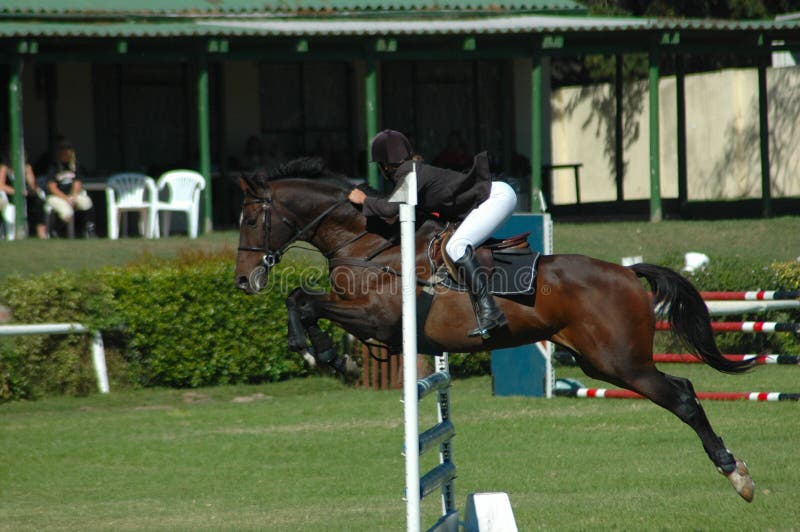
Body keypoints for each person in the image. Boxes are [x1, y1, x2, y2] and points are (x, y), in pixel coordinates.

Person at [347, 129, 517, 338]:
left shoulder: (410, 175)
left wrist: (364, 200)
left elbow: (391, 209)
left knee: (456, 246)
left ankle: (491, 311)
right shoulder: (411, 171)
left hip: (496, 198)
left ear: (384, 165)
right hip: (490, 197)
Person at [45, 138, 94, 238]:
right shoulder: (54, 167)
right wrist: (66, 199)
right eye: (62, 148)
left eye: (68, 148)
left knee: (86, 202)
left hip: (72, 194)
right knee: (67, 212)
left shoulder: (75, 165)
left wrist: (73, 196)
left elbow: (77, 182)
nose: (65, 151)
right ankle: (58, 232)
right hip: (57, 196)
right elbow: (52, 187)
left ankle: (88, 229)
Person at [0, 149, 47, 239]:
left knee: (38, 202)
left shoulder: (27, 167)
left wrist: (26, 174)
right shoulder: (5, 168)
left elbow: (32, 185)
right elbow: (1, 185)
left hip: (25, 196)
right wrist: (16, 191)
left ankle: (41, 232)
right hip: (10, 196)